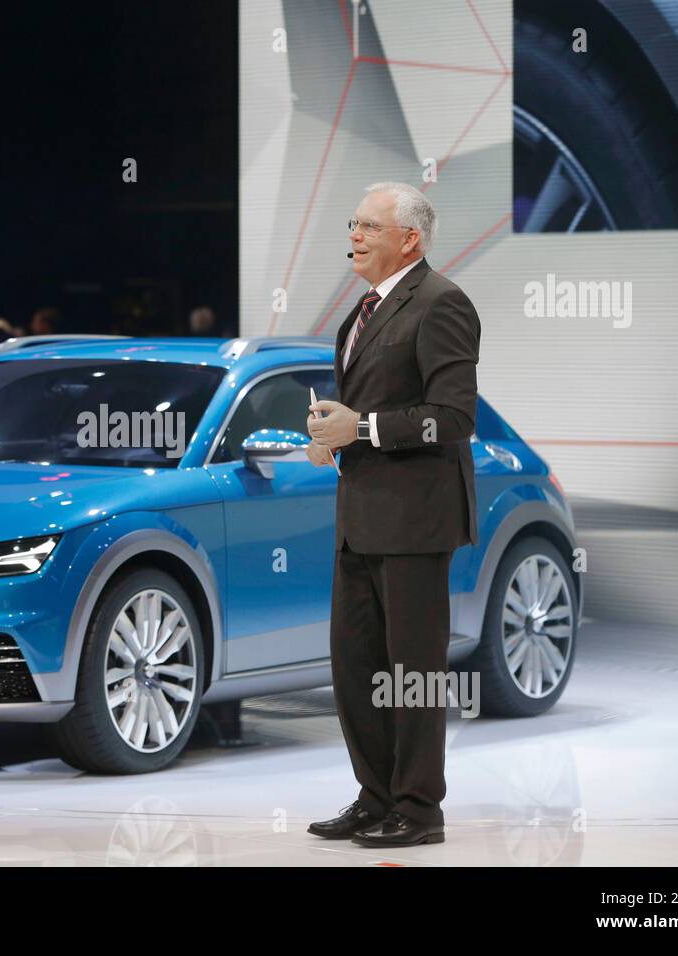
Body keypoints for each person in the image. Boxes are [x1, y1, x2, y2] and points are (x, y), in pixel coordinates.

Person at [304, 182, 480, 848]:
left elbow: (454, 417)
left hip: (415, 520)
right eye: (353, 223)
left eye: (368, 225)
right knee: (355, 668)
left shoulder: (441, 303)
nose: (354, 235)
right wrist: (329, 436)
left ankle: (417, 808)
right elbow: (358, 411)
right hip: (361, 517)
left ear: (409, 237)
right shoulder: (362, 313)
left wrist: (365, 429)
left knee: (410, 672)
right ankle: (374, 796)